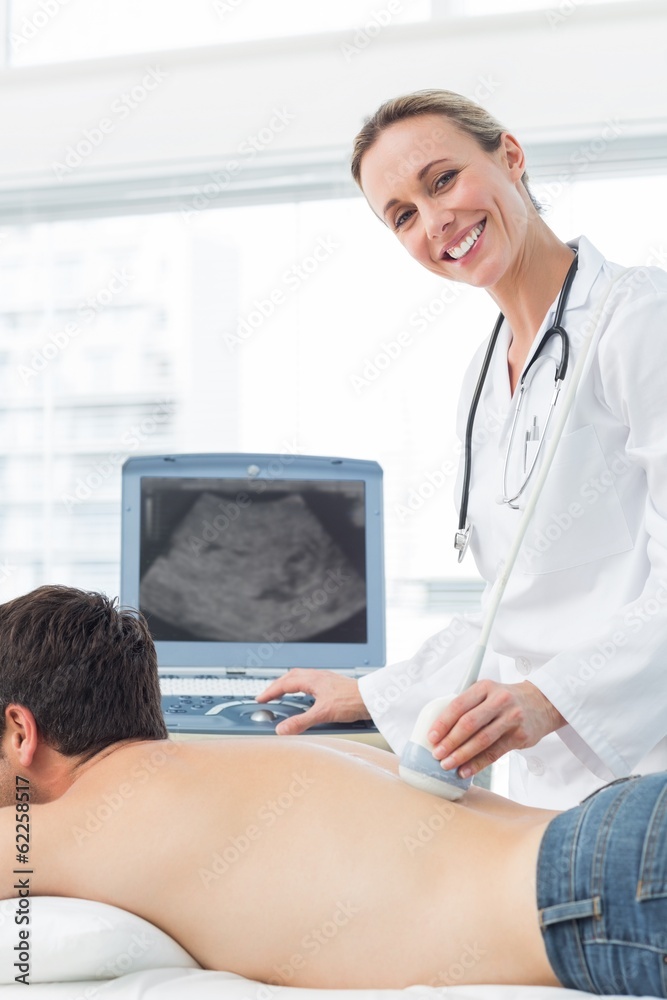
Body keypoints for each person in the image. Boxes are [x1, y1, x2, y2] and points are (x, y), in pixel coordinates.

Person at [258, 89, 667, 809]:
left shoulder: (639, 320)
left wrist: (546, 700)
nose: (435, 221)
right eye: (403, 216)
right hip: (547, 786)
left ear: (509, 156)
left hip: (648, 769)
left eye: (442, 179)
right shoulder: (482, 382)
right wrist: (367, 692)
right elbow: (515, 606)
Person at [1, 585, 667, 996]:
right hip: (616, 837)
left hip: (604, 886)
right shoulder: (248, 769)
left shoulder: (85, 819)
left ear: (20, 731)